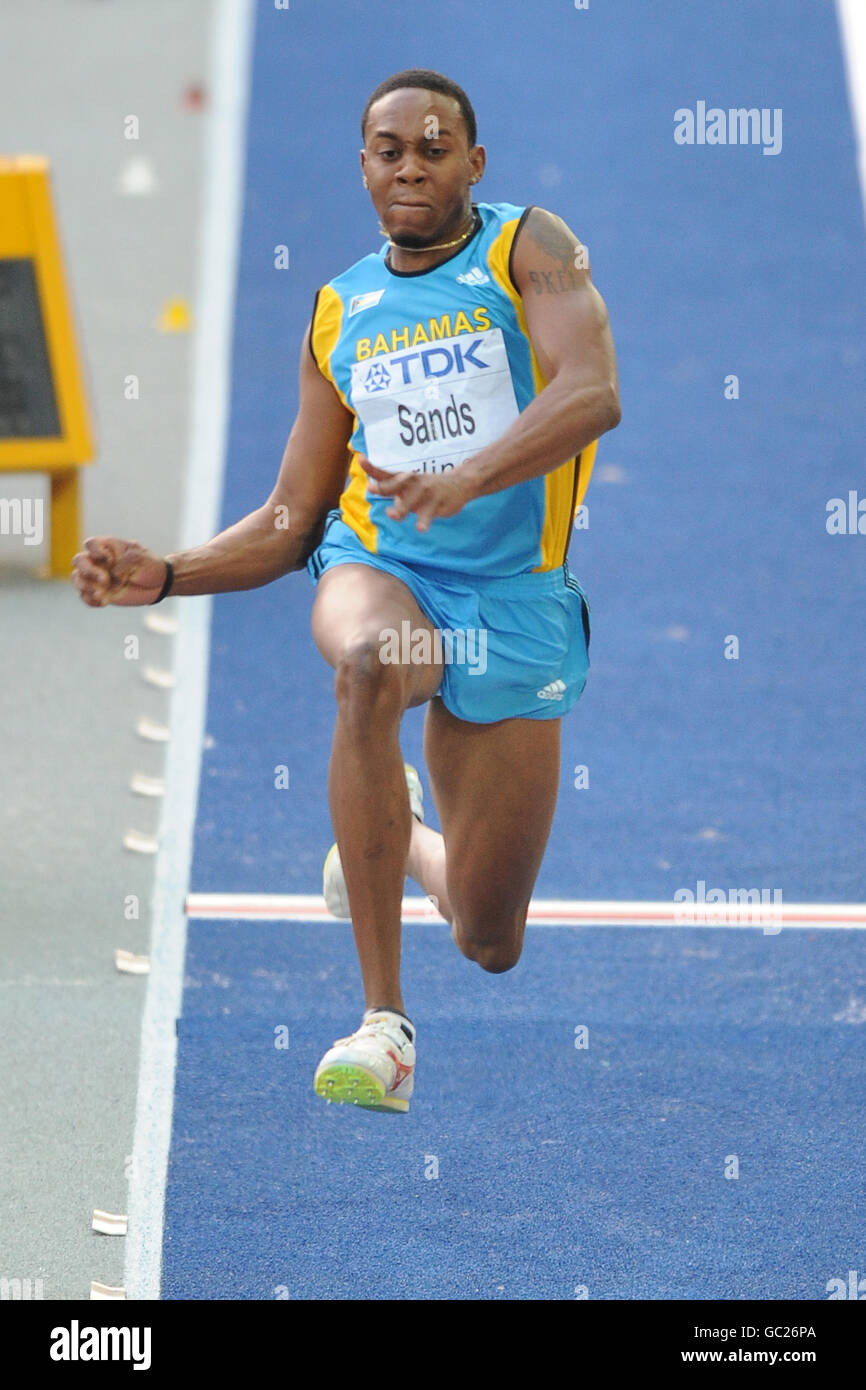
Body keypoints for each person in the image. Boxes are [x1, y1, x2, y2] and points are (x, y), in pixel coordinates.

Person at [73, 69, 621, 1115]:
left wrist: (464, 476)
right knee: (371, 666)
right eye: (387, 149)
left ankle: (395, 835)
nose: (409, 164)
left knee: (487, 933)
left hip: (512, 604)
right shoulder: (338, 310)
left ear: (473, 163)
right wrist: (172, 572)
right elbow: (292, 518)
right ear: (363, 166)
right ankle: (384, 1026)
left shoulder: (530, 249)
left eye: (432, 146)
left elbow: (591, 391)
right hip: (388, 576)